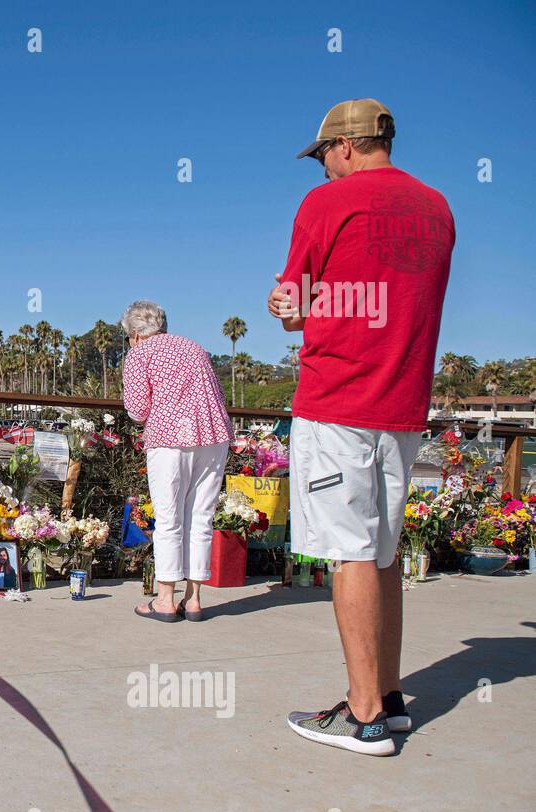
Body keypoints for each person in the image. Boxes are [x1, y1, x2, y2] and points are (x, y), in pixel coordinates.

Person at [269, 99, 455, 756]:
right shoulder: (437, 208)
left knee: (348, 552)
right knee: (382, 555)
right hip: (403, 404)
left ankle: (364, 713)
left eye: (322, 158)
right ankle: (391, 695)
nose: (321, 171)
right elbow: (392, 296)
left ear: (345, 147)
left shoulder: (328, 205)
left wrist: (282, 300)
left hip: (337, 400)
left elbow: (293, 307)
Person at [120, 300, 231, 623]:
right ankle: (194, 599)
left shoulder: (140, 353)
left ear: (136, 335)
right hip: (213, 435)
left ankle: (165, 599)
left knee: (169, 518)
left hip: (169, 438)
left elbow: (138, 409)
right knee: (201, 517)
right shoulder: (193, 346)